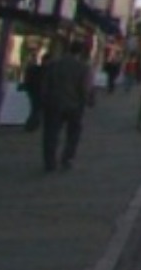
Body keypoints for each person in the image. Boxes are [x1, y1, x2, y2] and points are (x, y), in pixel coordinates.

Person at [40, 42, 90, 172]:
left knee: (51, 133)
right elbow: (84, 88)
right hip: (74, 105)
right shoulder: (82, 67)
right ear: (80, 53)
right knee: (73, 134)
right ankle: (67, 159)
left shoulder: (54, 65)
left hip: (53, 104)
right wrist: (87, 101)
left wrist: (44, 100)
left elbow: (45, 84)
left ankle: (49, 162)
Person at [21, 53, 48, 132]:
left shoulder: (36, 69)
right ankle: (31, 125)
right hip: (37, 92)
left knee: (36, 110)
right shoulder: (40, 70)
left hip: (35, 92)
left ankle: (33, 125)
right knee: (36, 110)